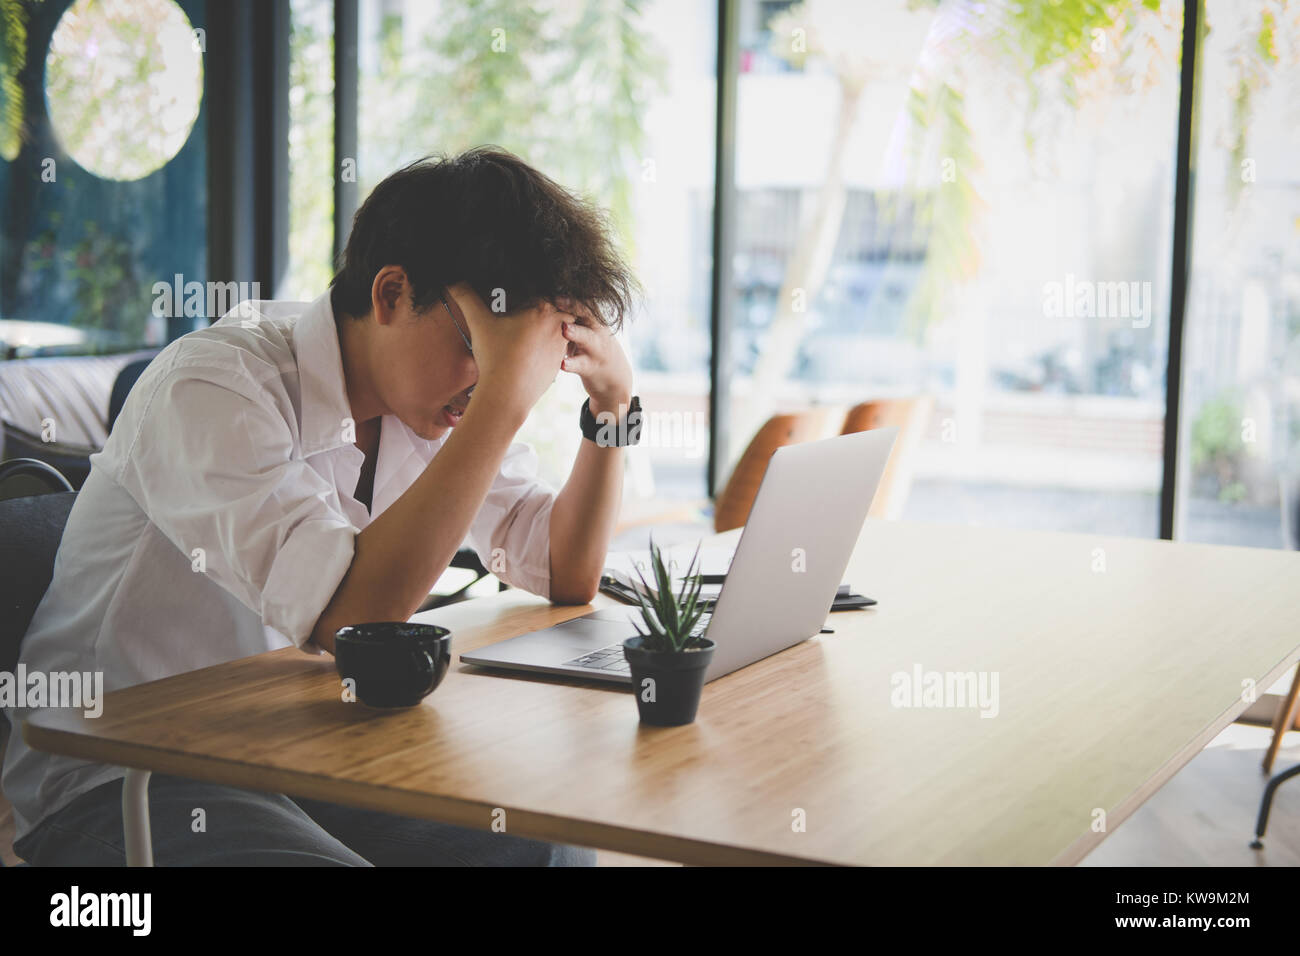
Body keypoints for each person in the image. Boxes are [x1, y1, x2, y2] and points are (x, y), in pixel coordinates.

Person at [3, 146, 643, 866]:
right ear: (391, 294)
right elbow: (351, 619)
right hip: (121, 772)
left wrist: (613, 409)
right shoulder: (215, 384)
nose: (495, 375)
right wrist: (501, 396)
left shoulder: (429, 407)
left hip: (300, 746)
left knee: (548, 851)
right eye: (483, 344)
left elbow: (561, 568)